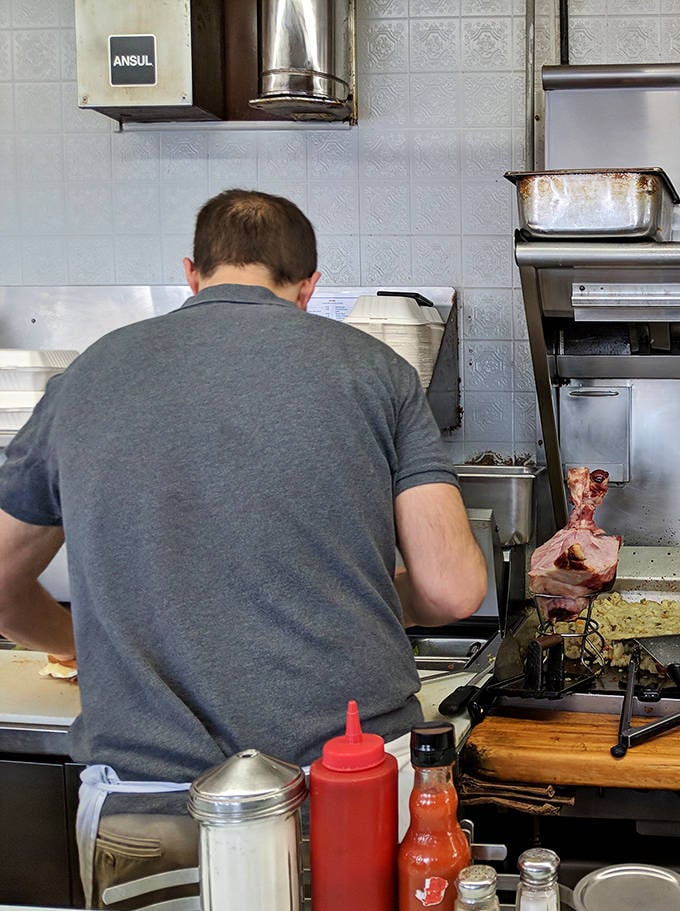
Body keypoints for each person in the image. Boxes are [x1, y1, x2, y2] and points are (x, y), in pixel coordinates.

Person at [0, 189, 487, 907]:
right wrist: (374, 595)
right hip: (348, 785)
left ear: (192, 272)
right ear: (309, 286)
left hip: (146, 797)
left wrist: (75, 638)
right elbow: (452, 591)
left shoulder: (87, 377)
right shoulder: (377, 372)